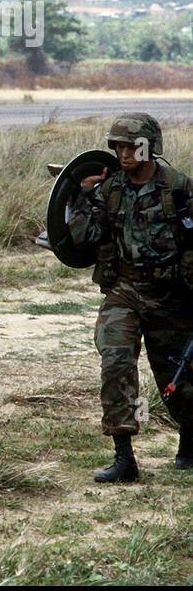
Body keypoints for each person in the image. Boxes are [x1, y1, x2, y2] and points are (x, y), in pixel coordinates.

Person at [70, 112, 193, 482]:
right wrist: (80, 196)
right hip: (124, 291)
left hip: (171, 296)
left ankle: (189, 439)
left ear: (150, 147)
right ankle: (124, 457)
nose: (123, 153)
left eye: (130, 145)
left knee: (179, 378)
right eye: (118, 146)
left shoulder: (178, 187)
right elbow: (82, 238)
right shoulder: (111, 190)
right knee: (116, 362)